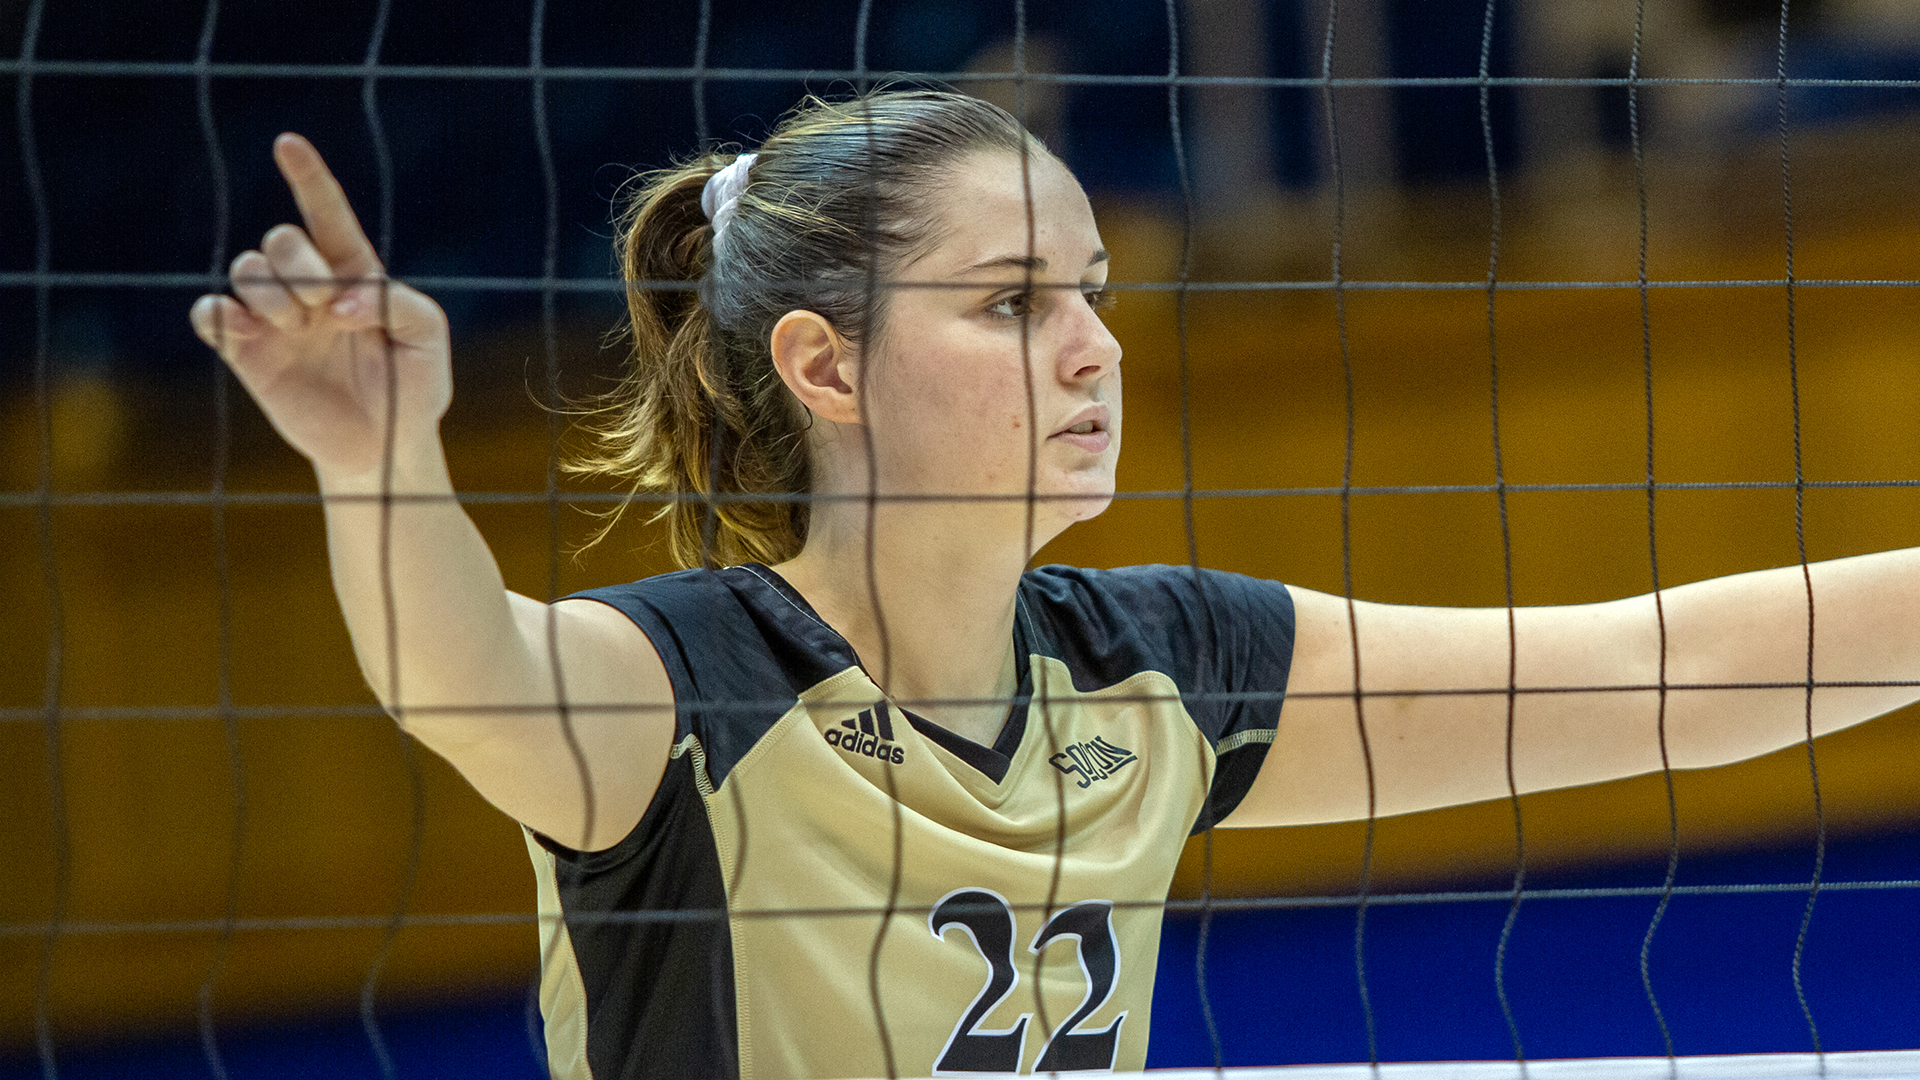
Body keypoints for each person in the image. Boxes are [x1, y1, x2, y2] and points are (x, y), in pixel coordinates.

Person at [189, 88, 1920, 1080]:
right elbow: (461, 677)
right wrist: (377, 460)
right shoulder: (689, 694)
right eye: (1012, 301)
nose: (1092, 349)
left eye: (1090, 290)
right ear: (827, 364)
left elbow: (1655, 674)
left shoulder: (1156, 669)